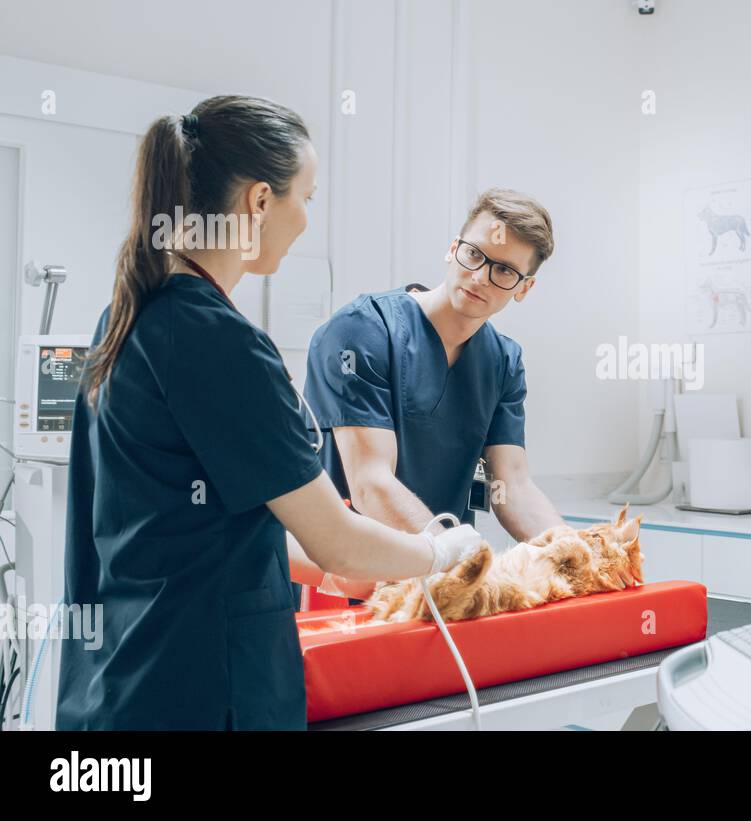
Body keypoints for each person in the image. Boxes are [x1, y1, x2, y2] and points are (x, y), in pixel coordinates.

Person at [57, 96, 477, 730]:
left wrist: (340, 573)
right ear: (259, 201)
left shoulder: (126, 317)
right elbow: (335, 535)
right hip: (202, 687)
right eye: (305, 197)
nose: (307, 218)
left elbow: (196, 522)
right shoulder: (219, 340)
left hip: (125, 679)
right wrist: (443, 552)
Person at [300, 190, 618, 593]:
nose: (480, 276)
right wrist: (454, 557)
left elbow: (513, 487)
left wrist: (572, 554)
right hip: (350, 580)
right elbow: (370, 483)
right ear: (454, 250)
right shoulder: (362, 331)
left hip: (442, 584)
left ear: (524, 287)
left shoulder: (502, 361)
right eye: (474, 255)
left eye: (504, 271)